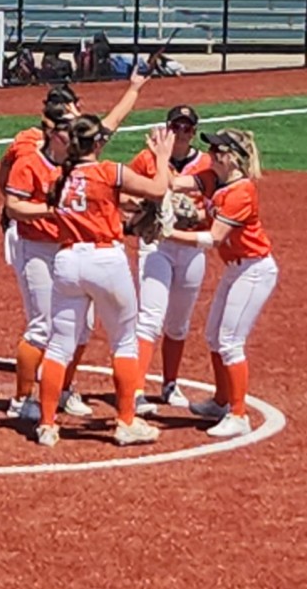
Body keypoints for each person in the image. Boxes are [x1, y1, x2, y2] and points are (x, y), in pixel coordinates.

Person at [0, 75, 149, 422]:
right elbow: (14, 206)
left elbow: (112, 123)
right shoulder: (30, 161)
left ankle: (63, 388)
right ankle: (22, 399)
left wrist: (135, 88)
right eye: (67, 129)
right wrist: (54, 210)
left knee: (83, 326)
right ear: (52, 132)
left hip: (68, 250)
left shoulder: (78, 162)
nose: (75, 135)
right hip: (36, 246)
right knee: (42, 325)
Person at [22, 116, 173, 448]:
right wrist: (162, 158)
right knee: (125, 342)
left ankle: (47, 425)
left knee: (59, 345)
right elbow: (159, 189)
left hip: (67, 261)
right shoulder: (109, 171)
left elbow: (94, 202)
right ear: (98, 143)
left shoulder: (58, 177)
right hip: (105, 260)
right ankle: (126, 422)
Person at [165, 128, 278, 439]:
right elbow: (174, 183)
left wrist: (169, 233)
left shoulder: (241, 192)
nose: (211, 155)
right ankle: (221, 401)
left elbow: (213, 238)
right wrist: (162, 157)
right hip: (235, 269)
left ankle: (238, 415)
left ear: (233, 157)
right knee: (214, 336)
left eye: (218, 150)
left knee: (230, 342)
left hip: (254, 270)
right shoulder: (215, 178)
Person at [128, 105, 212, 413]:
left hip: (191, 247)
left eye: (187, 128)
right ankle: (135, 391)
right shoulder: (146, 159)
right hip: (157, 246)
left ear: (194, 132)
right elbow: (122, 194)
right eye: (176, 127)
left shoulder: (206, 164)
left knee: (178, 324)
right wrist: (145, 205)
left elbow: (215, 207)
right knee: (150, 318)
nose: (181, 133)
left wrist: (195, 215)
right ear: (167, 129)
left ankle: (170, 384)